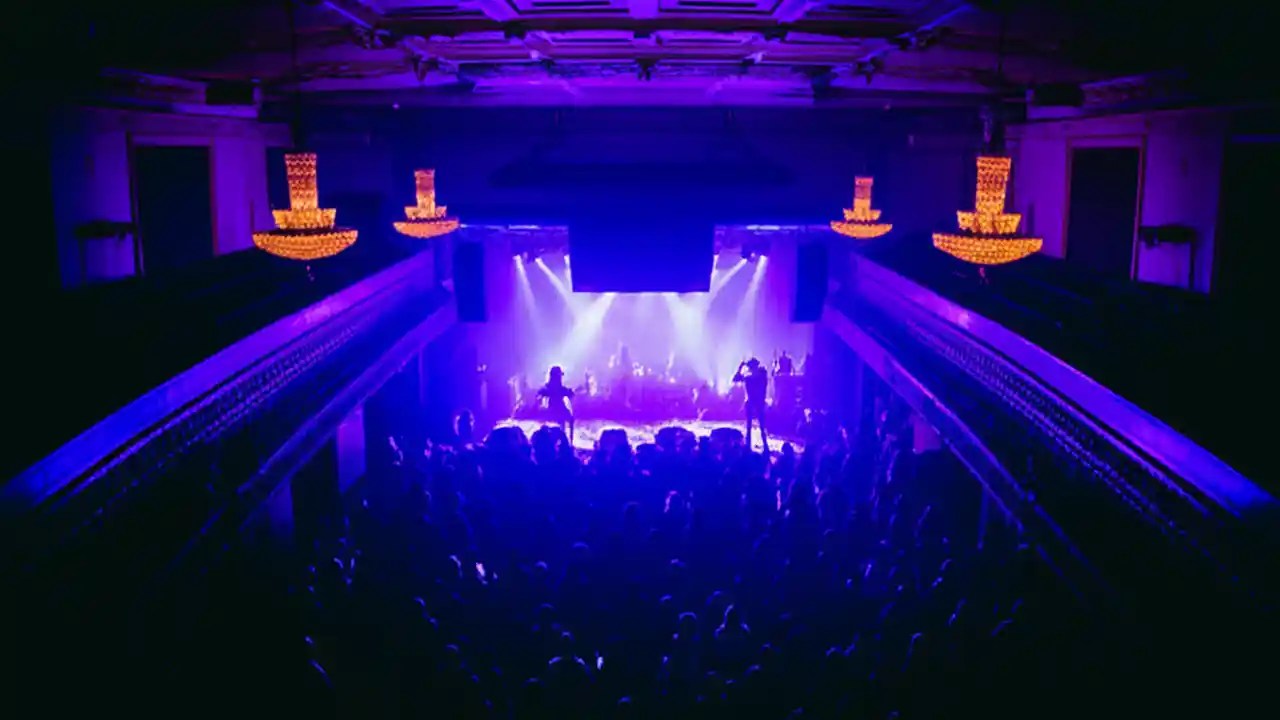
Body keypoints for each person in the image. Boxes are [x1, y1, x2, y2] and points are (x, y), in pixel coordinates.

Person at [733, 358, 770, 453]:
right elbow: (735, 379)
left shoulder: (758, 376)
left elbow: (737, 378)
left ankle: (762, 446)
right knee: (751, 426)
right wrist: (740, 367)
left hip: (757, 403)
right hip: (752, 403)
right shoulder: (750, 377)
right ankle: (750, 446)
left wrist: (741, 367)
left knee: (760, 425)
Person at [538, 365, 576, 444]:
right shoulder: (559, 387)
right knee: (569, 419)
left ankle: (561, 438)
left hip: (550, 409)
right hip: (558, 408)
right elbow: (570, 394)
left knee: (564, 419)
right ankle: (568, 440)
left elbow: (540, 393)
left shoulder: (548, 386)